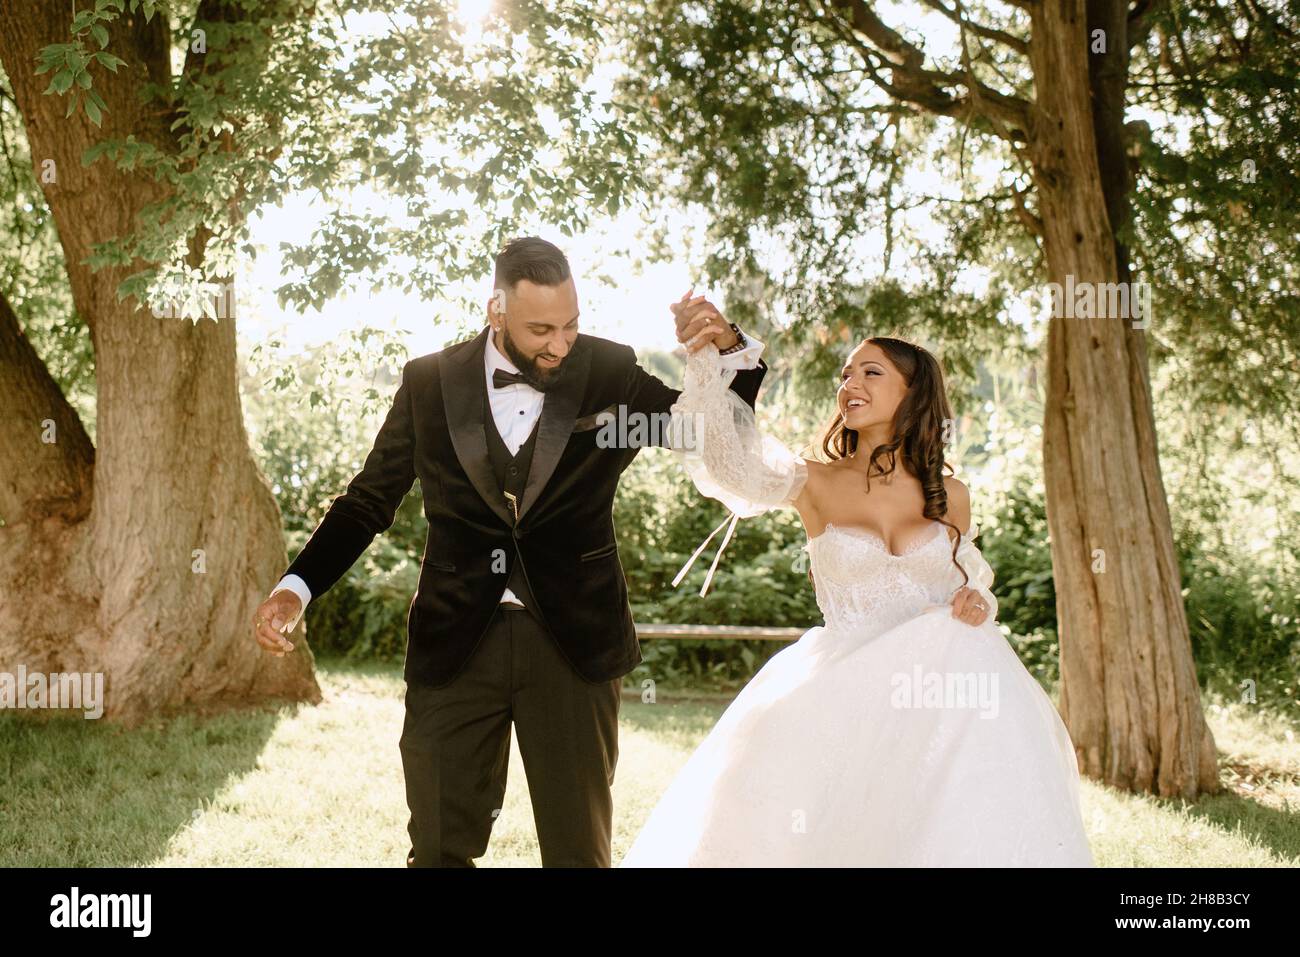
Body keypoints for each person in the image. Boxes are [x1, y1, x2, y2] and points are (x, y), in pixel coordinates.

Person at [251, 237, 765, 866]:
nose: (560, 344)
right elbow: (368, 501)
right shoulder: (428, 382)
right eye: (541, 329)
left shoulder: (609, 371)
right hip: (456, 641)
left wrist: (727, 351)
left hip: (575, 643)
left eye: (571, 324)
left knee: (578, 853)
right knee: (438, 850)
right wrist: (295, 587)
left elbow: (714, 440)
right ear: (496, 310)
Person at [620, 314, 1094, 867]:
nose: (850, 385)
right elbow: (726, 461)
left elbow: (973, 582)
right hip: (844, 692)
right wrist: (711, 358)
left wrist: (976, 602)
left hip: (942, 699)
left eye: (871, 373)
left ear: (913, 394)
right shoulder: (813, 481)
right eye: (846, 375)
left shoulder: (951, 494)